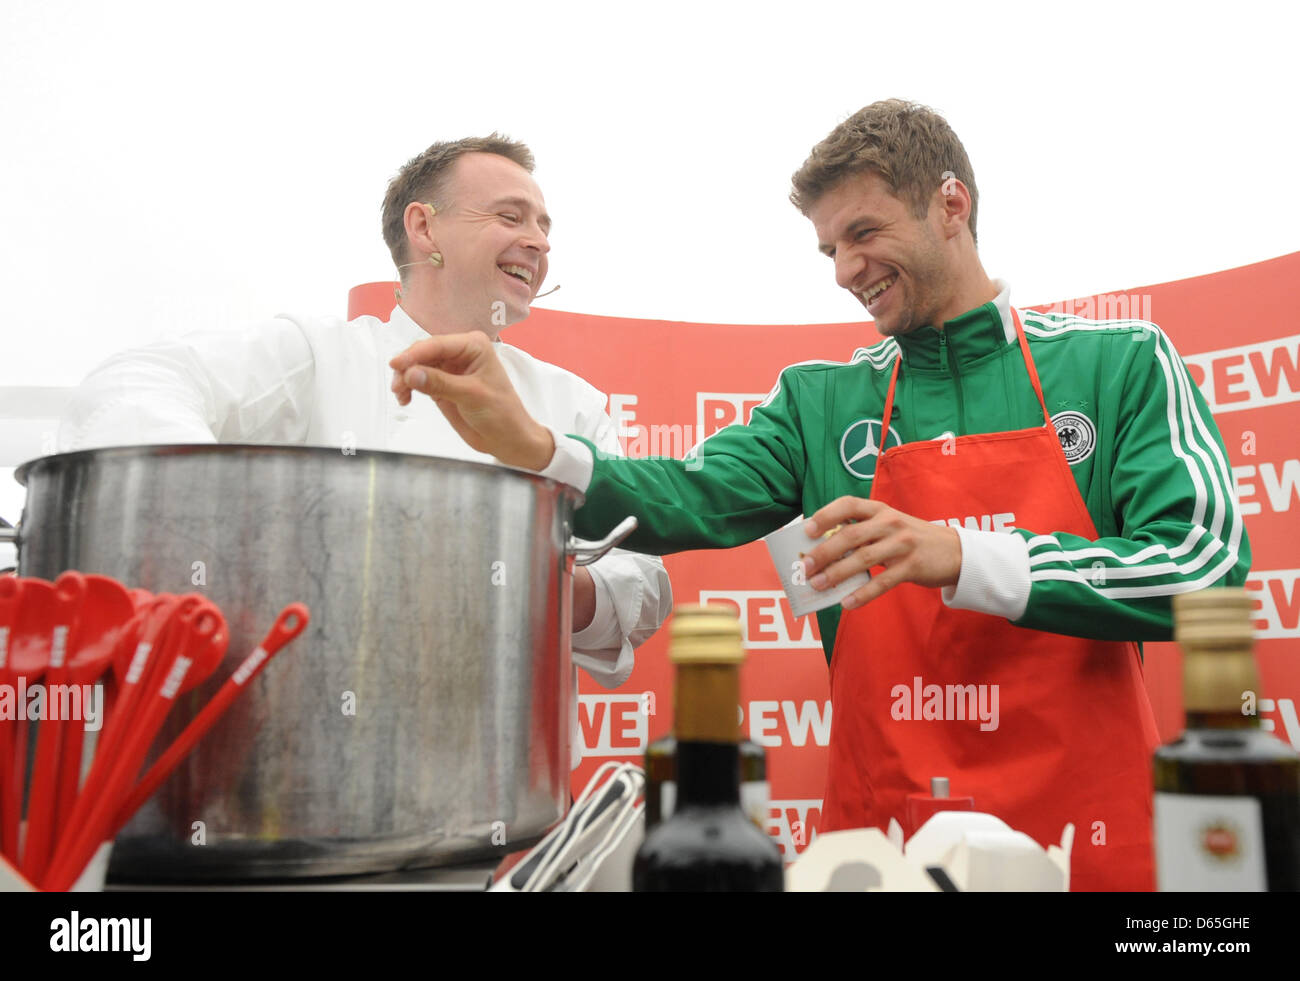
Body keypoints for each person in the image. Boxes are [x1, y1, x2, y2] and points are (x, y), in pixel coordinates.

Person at [388, 102, 1250, 891]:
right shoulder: (819, 402)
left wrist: (960, 553)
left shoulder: (1120, 364)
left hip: (1090, 850)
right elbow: (689, 494)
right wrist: (538, 447)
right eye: (829, 247)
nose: (845, 269)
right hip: (885, 856)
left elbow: (1204, 566)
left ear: (952, 206)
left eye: (863, 231)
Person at [59, 135, 673, 767]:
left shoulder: (571, 402)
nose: (540, 242)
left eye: (545, 227)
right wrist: (228, 521)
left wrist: (515, 579)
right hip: (309, 776)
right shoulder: (320, 356)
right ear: (424, 228)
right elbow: (131, 385)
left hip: (513, 789)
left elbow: (642, 588)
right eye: (510, 217)